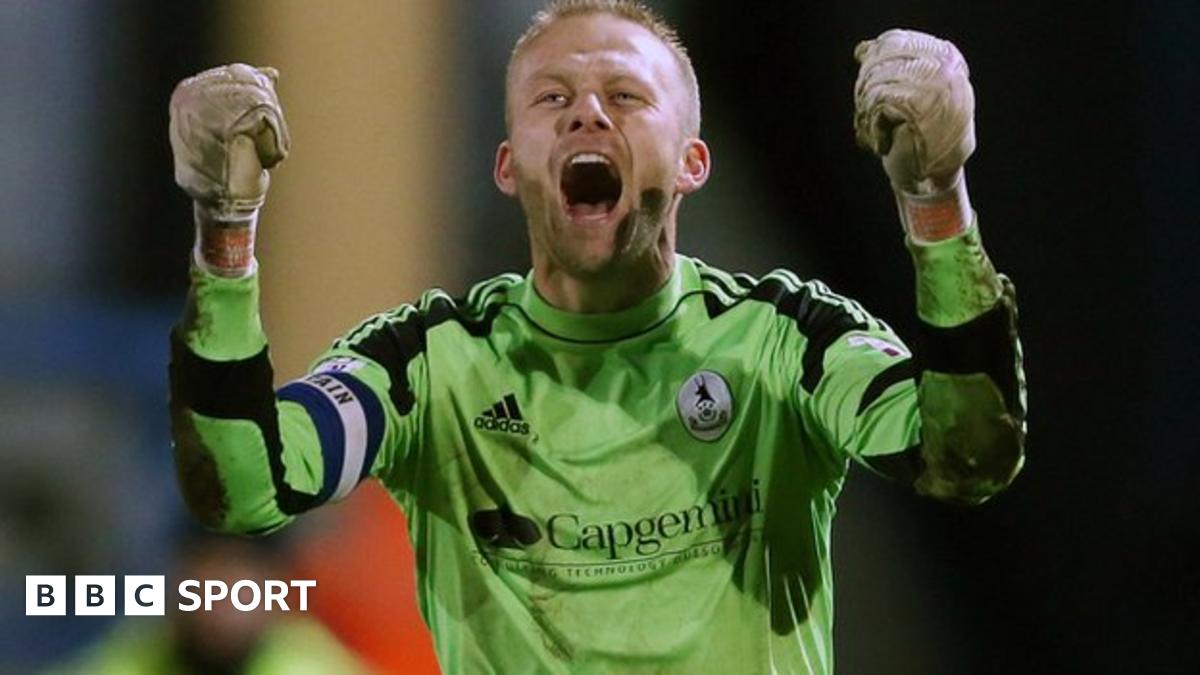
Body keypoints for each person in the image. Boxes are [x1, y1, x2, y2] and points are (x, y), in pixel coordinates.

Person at [167, 1, 1026, 672]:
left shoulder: (786, 338)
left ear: (692, 159)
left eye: (624, 95)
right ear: (508, 167)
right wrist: (225, 232)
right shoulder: (427, 363)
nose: (586, 115)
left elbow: (966, 458)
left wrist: (938, 206)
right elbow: (246, 484)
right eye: (552, 98)